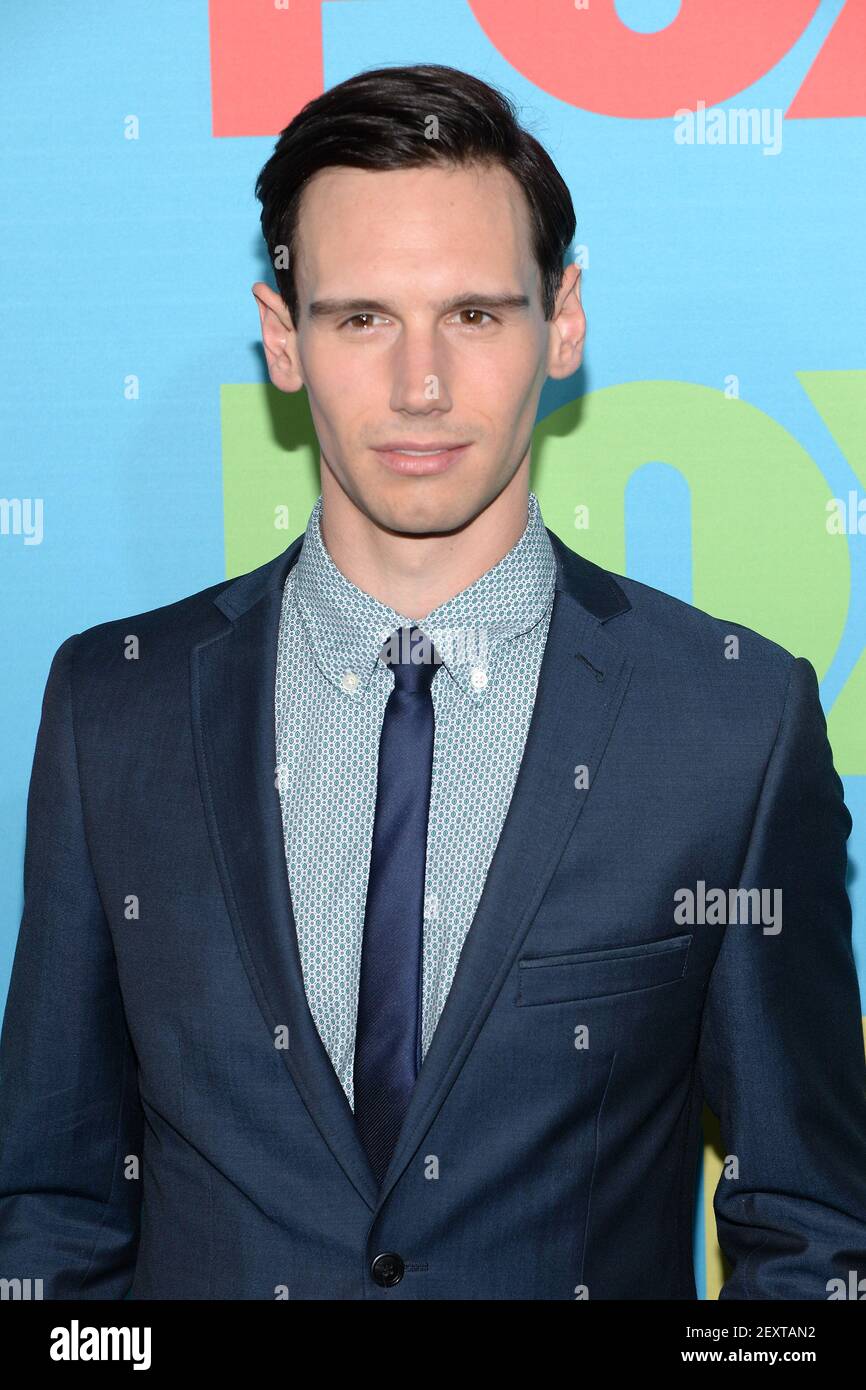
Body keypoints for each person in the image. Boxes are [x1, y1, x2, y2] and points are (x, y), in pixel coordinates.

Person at [1, 62, 865, 1301]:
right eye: (360, 318)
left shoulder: (729, 724)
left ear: (560, 321)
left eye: (472, 315)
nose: (419, 387)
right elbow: (53, 1208)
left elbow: (812, 1235)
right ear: (280, 337)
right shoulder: (113, 708)